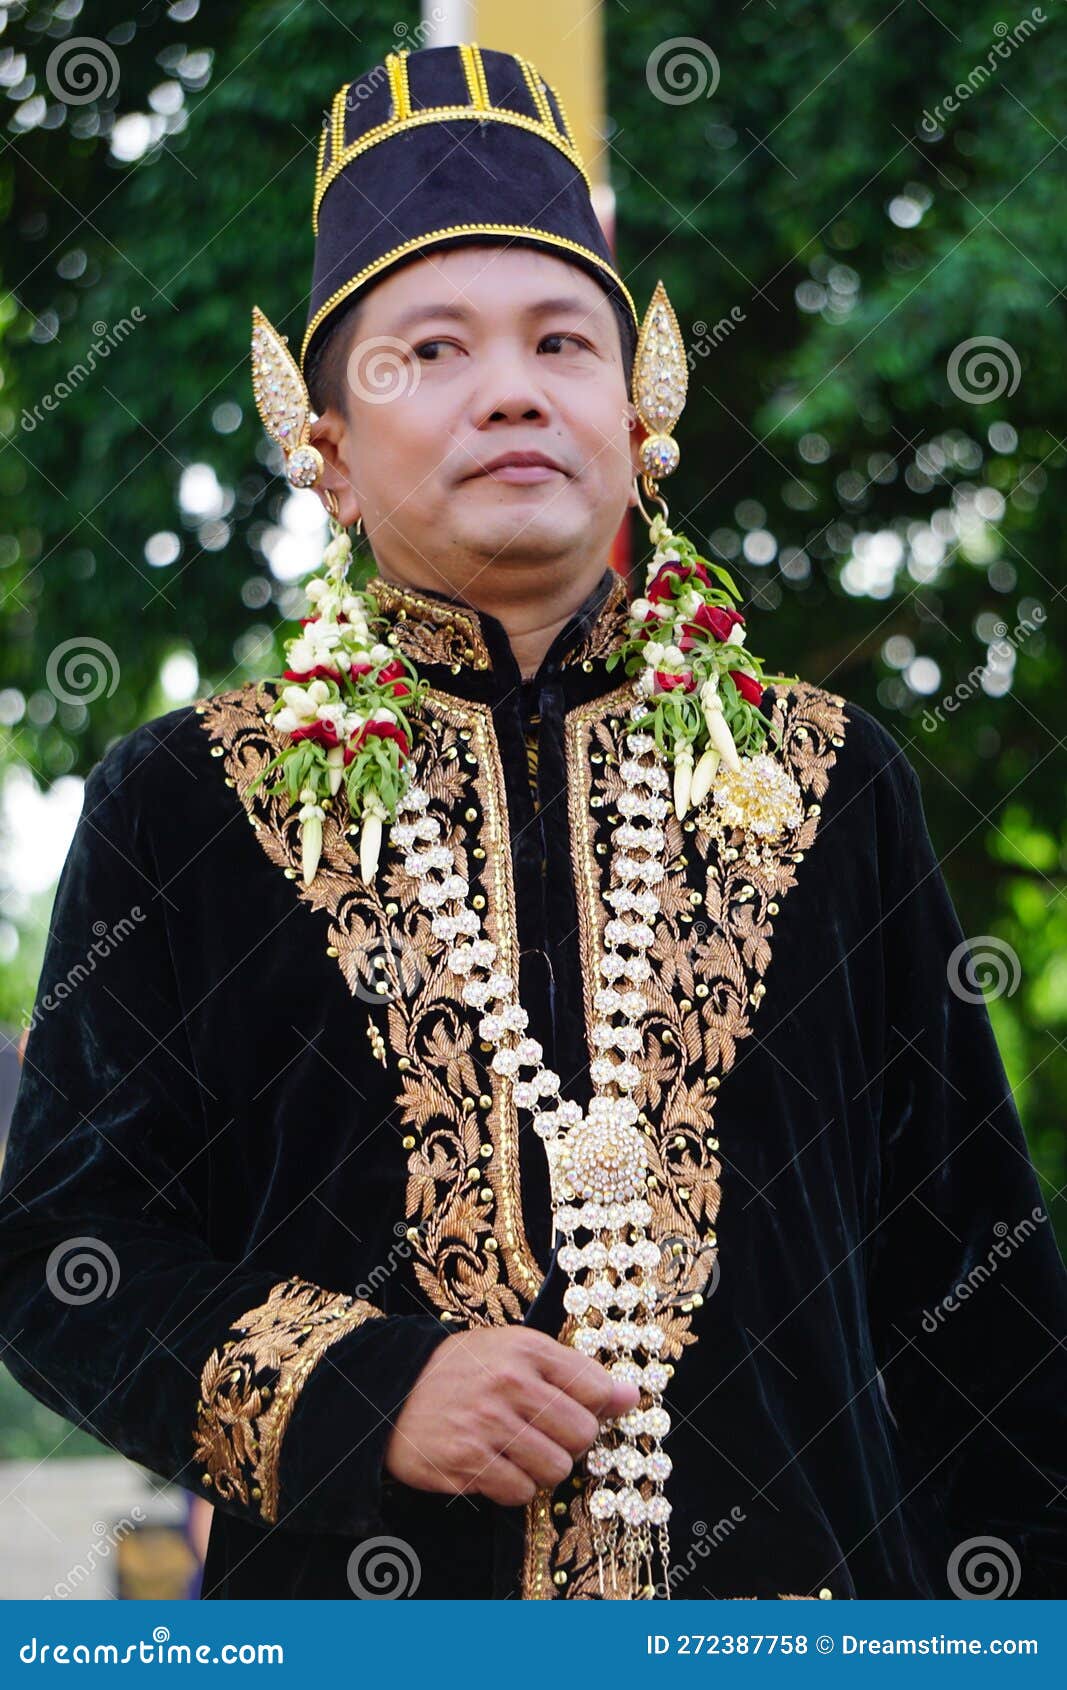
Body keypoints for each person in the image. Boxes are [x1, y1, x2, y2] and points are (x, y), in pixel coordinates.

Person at [0, 41, 1064, 1604]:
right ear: (327, 450)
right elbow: (60, 1257)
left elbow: (983, 1299)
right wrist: (364, 1387)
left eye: (565, 340)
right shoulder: (191, 803)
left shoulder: (831, 781)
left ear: (642, 410)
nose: (512, 385)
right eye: (427, 351)